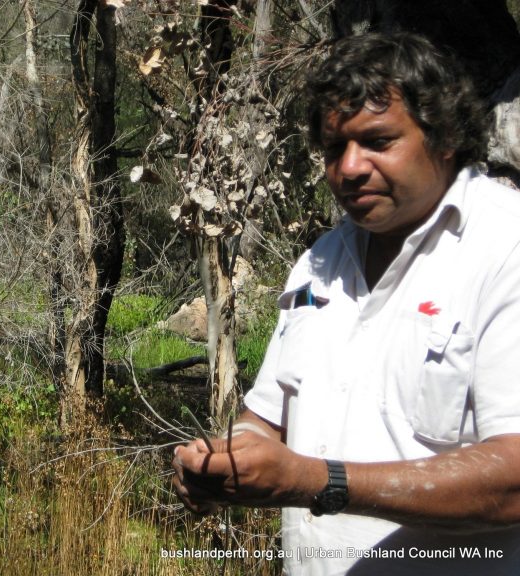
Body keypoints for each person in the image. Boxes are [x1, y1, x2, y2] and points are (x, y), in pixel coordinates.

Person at [172, 32, 520, 575]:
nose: (350, 167)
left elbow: (513, 478)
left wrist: (316, 481)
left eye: (378, 141)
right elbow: (268, 420)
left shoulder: (505, 248)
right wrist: (229, 461)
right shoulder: (322, 260)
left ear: (446, 137)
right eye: (335, 148)